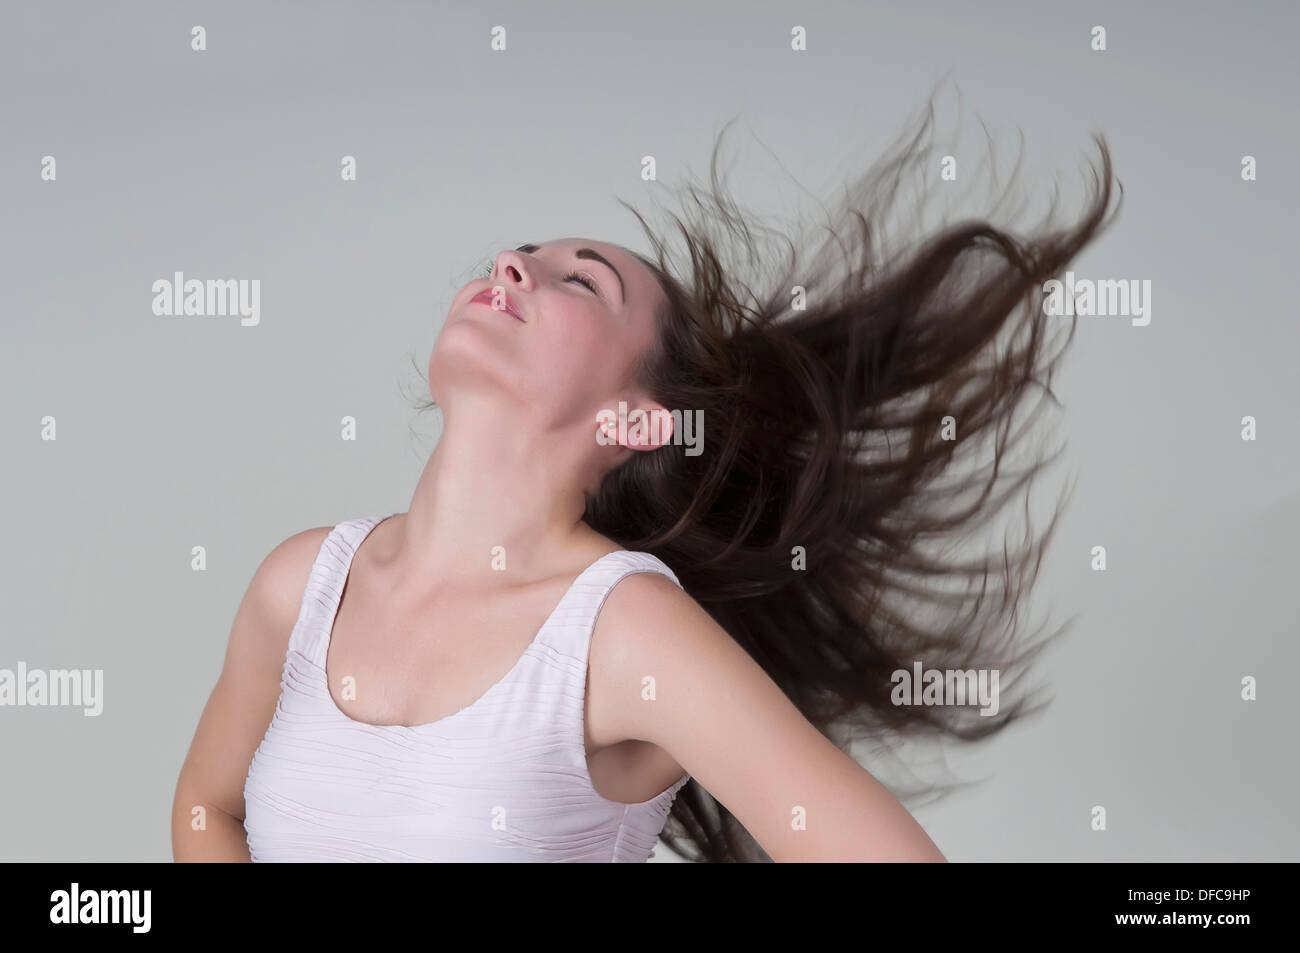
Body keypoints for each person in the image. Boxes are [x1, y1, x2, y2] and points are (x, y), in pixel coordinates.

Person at [172, 105, 1119, 862]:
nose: (513, 264)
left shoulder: (621, 633)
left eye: (580, 283)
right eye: (524, 253)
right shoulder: (301, 586)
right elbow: (207, 810)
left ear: (635, 421)